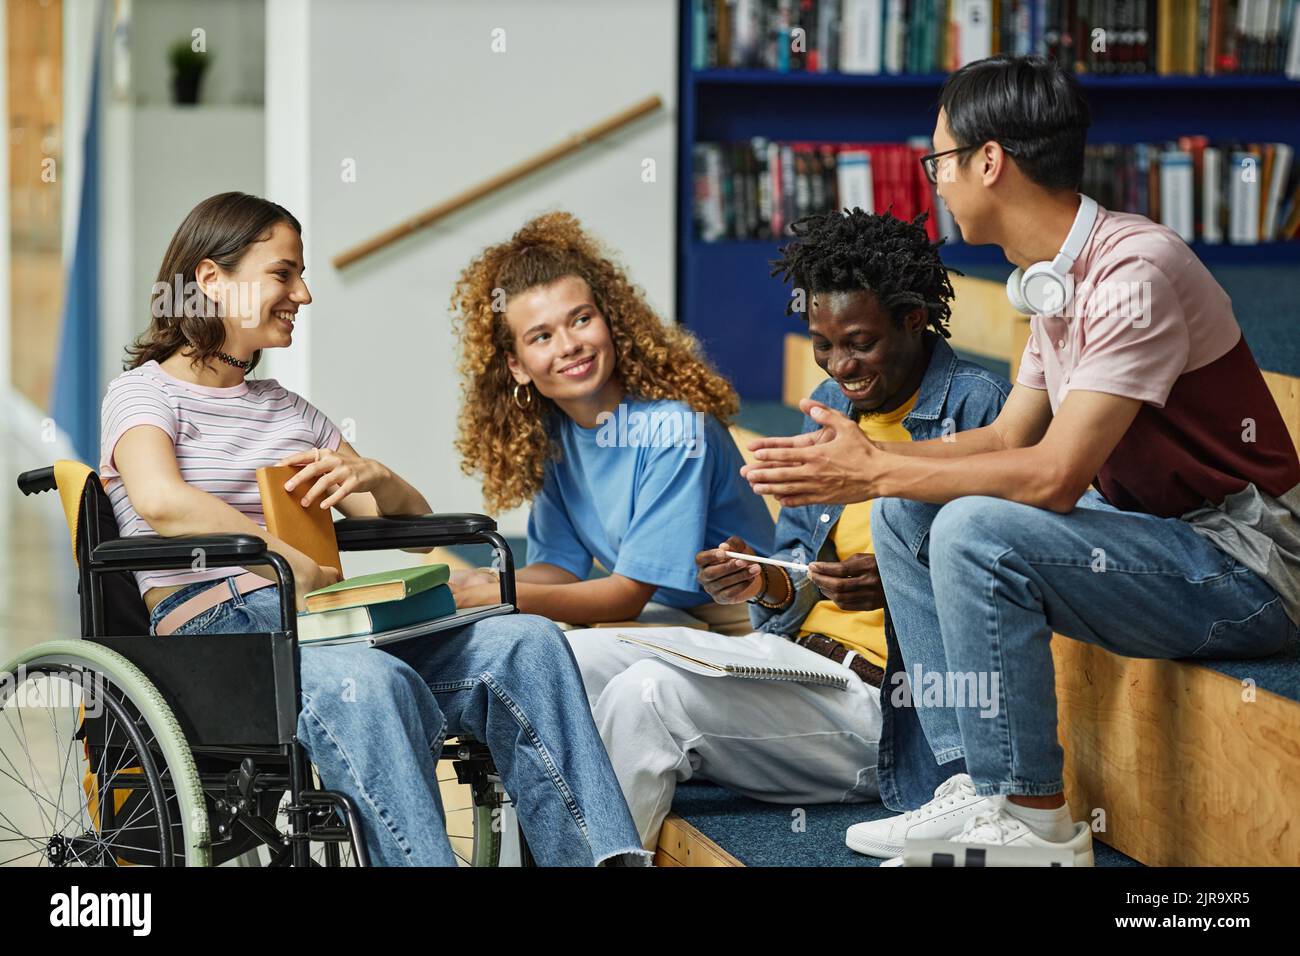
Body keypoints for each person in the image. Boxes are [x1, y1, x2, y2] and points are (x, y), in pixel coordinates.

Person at [742, 55, 1300, 867]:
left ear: (989, 161)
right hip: (1152, 531)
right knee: (908, 513)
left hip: (1245, 566)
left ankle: (1035, 820)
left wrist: (874, 470)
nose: (935, 181)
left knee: (972, 529)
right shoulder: (1054, 277)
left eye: (940, 160)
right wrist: (875, 463)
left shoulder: (1132, 275)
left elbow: (1052, 474)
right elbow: (1008, 437)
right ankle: (972, 782)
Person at [102, 191, 647, 866]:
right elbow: (161, 500)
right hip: (219, 636)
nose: (302, 293)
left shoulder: (289, 411)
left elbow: (413, 531)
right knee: (374, 683)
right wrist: (279, 556)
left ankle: (599, 860)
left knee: (526, 643)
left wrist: (373, 480)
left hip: (323, 626)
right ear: (212, 279)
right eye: (284, 273)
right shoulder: (144, 393)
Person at [565, 209, 1010, 848]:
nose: (839, 366)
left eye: (859, 342)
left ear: (914, 319)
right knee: (568, 656)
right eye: (823, 344)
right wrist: (764, 580)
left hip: (887, 704)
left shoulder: (982, 411)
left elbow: (1007, 578)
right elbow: (798, 564)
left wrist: (892, 584)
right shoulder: (829, 408)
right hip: (796, 661)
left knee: (647, 696)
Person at [449, 211, 773, 630]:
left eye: (582, 319)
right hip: (669, 614)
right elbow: (558, 568)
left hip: (745, 619)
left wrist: (503, 593)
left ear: (610, 321)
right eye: (542, 336)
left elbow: (624, 597)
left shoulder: (674, 430)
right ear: (517, 365)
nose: (569, 346)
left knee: (553, 651)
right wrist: (482, 582)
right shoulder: (553, 435)